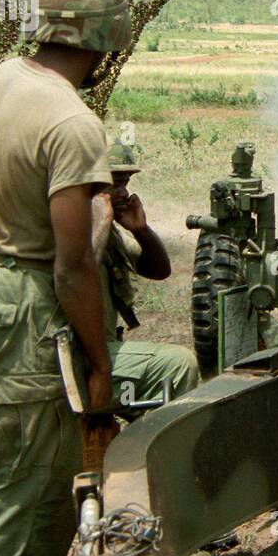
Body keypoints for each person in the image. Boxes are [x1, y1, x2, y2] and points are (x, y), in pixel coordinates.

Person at [0, 0, 128, 556]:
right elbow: (71, 264)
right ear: (105, 39)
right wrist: (99, 362)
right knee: (25, 503)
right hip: (25, 317)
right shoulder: (72, 121)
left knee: (14, 471)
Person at [96, 136, 198, 404]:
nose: (123, 193)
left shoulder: (108, 233)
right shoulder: (73, 229)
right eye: (114, 183)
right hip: (75, 357)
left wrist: (141, 230)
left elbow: (158, 270)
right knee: (178, 367)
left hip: (98, 351)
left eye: (126, 183)